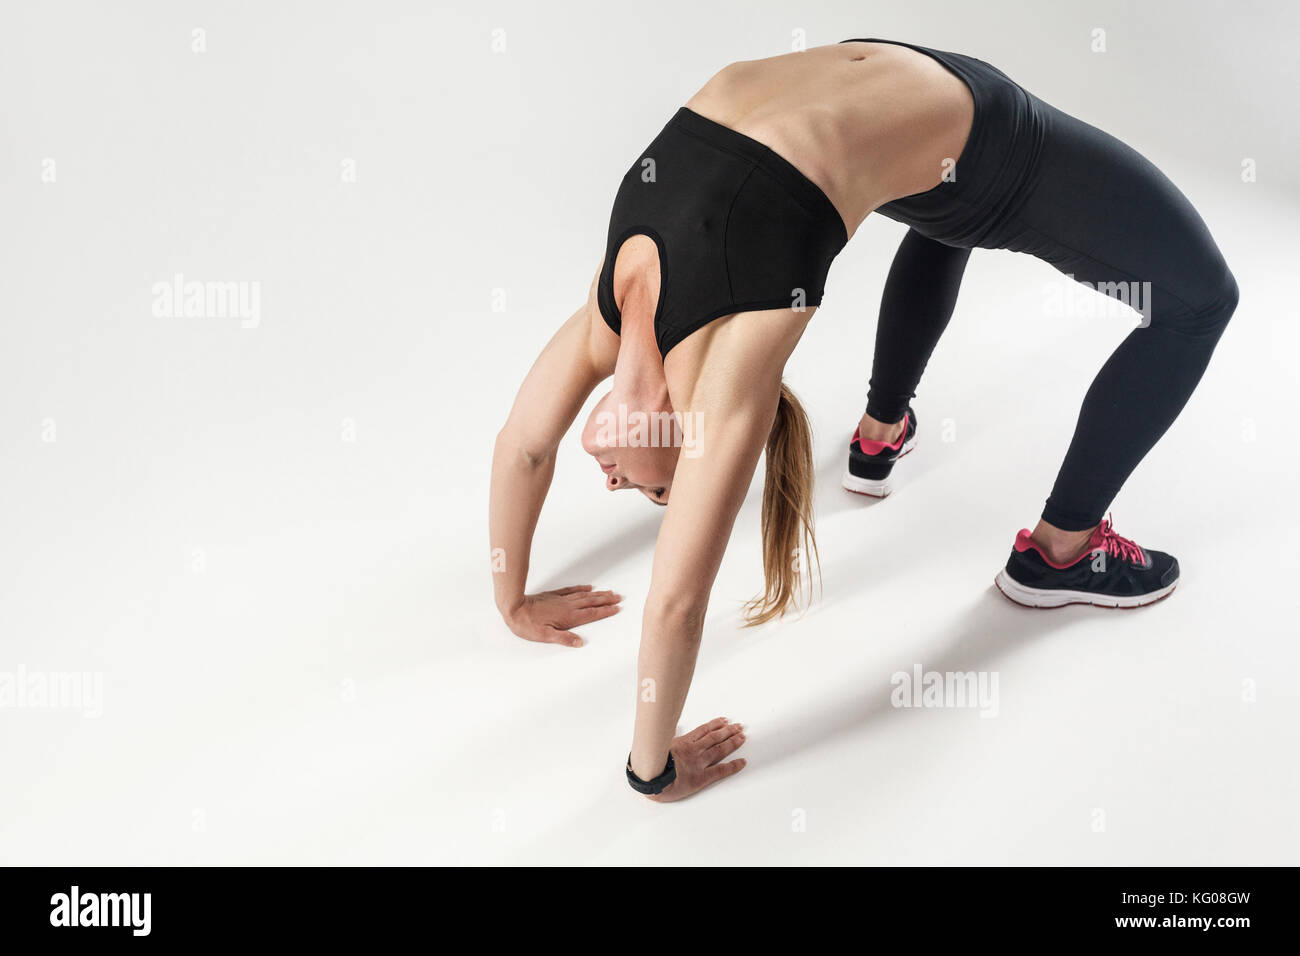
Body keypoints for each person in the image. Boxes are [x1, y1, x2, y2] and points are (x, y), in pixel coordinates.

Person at [488, 39, 1238, 800]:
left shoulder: (618, 322)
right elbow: (545, 470)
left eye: (660, 496)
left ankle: (968, 492)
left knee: (1189, 299)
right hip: (933, 133)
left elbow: (552, 475)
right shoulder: (670, 325)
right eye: (652, 494)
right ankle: (978, 498)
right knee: (1176, 290)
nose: (619, 485)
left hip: (966, 138)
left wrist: (643, 767)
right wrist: (515, 605)